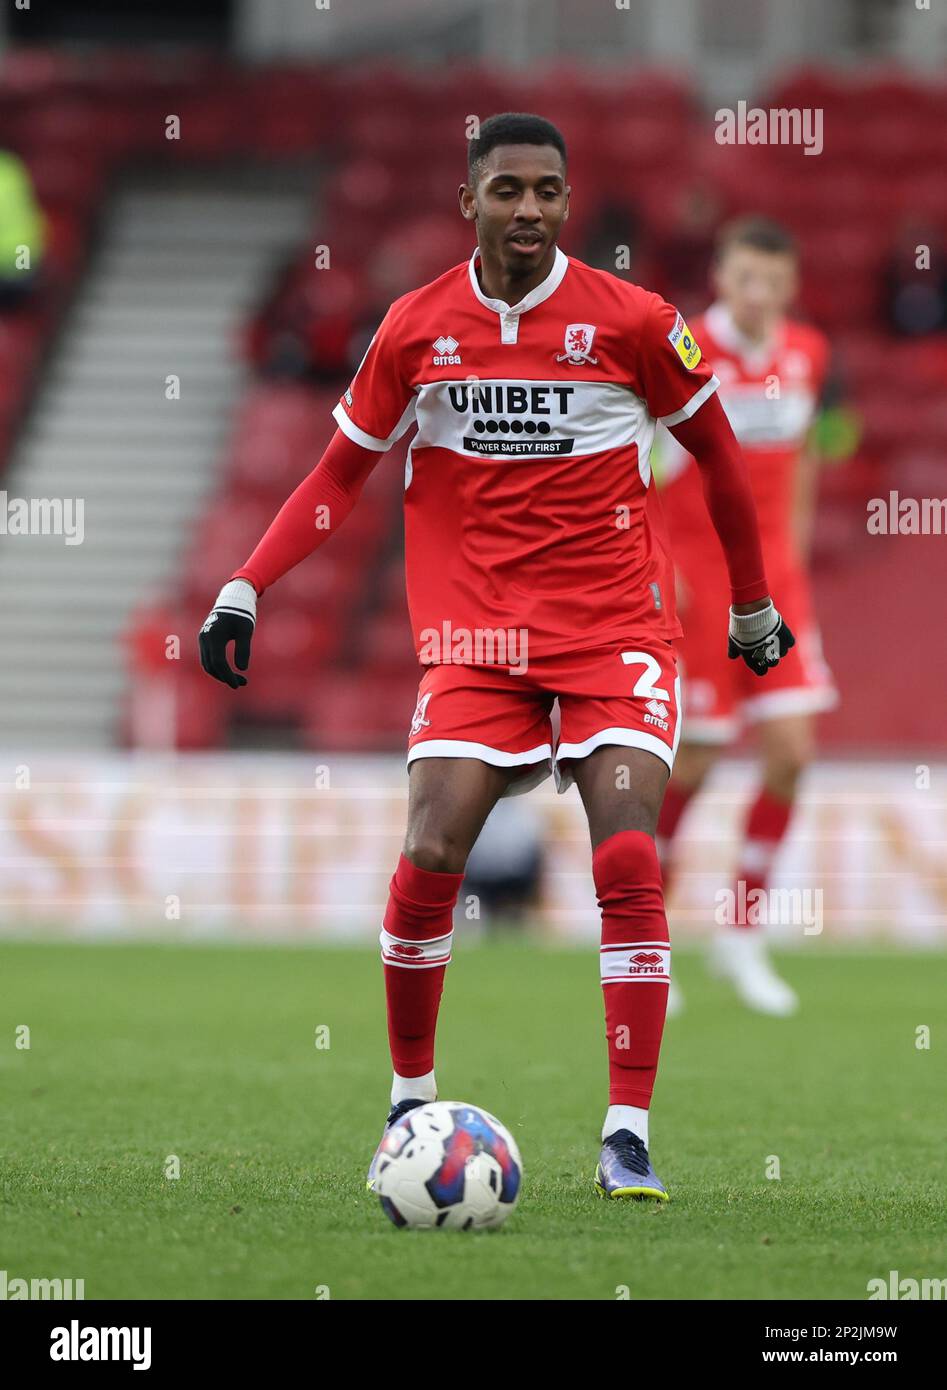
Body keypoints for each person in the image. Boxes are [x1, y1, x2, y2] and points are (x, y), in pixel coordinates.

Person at [197, 114, 794, 1202]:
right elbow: (337, 476)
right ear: (467, 201)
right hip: (476, 642)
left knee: (625, 855)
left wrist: (750, 605)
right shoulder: (414, 327)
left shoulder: (635, 323)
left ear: (568, 203)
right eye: (507, 190)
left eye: (547, 191)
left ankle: (624, 1131)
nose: (529, 209)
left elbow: (718, 454)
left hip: (614, 633)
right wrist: (246, 584)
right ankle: (407, 1101)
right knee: (430, 849)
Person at [656, 216, 837, 1017]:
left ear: (789, 286)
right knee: (692, 763)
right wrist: (658, 570)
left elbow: (798, 465)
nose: (756, 293)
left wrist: (791, 556)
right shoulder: (682, 351)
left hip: (775, 589)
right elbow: (638, 468)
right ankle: (644, 940)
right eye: (742, 278)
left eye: (771, 280)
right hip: (699, 585)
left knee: (791, 754)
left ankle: (740, 934)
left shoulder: (807, 353)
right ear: (720, 279)